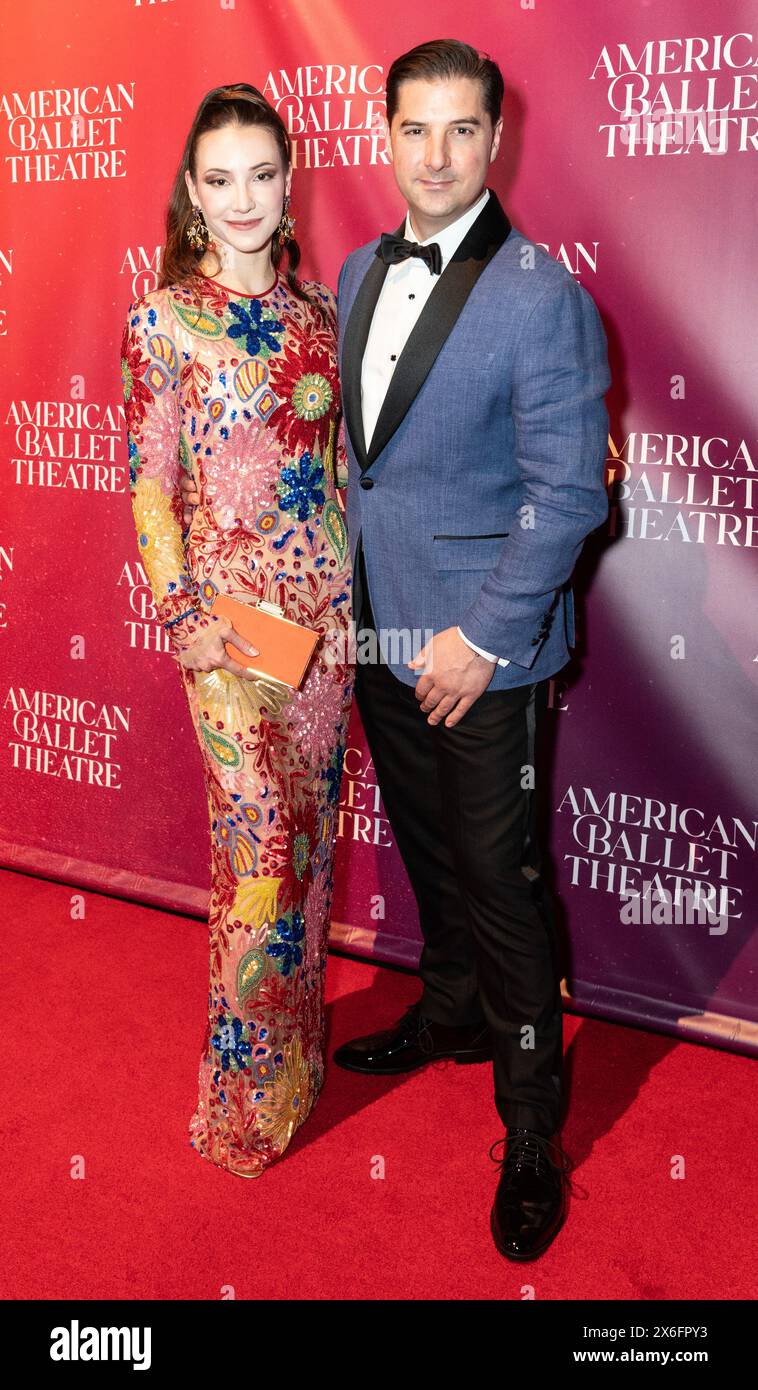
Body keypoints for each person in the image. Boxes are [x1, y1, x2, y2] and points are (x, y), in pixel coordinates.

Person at [333, 39, 610, 1262]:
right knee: (429, 845)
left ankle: (533, 1127)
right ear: (383, 133)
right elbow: (368, 466)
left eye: (460, 131)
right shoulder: (351, 269)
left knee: (500, 890)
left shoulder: (541, 293)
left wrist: (483, 640)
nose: (434, 155)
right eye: (413, 129)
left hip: (482, 647)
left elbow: (566, 496)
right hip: (383, 627)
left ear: (494, 139)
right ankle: (446, 1013)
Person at [120, 84, 353, 1179]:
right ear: (190, 192)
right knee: (258, 854)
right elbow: (149, 488)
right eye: (220, 179)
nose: (243, 199)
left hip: (323, 627)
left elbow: (338, 471)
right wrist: (182, 617)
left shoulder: (319, 316)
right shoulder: (161, 320)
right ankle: (239, 1104)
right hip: (227, 631)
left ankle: (294, 1063)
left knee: (303, 858)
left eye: (261, 174)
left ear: (288, 176)